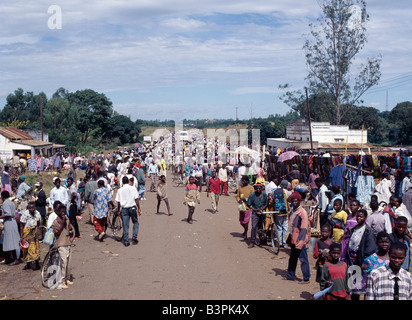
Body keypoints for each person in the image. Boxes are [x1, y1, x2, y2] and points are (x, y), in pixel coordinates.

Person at [345, 209, 377, 299]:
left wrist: (364, 261)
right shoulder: (354, 229)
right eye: (357, 216)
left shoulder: (367, 231)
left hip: (359, 260)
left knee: (358, 284)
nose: (359, 218)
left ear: (365, 218)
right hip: (351, 259)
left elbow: (370, 248)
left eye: (361, 216)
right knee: (352, 281)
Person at [284, 191, 311, 283]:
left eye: (296, 201)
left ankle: (306, 278)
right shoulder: (293, 211)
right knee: (292, 258)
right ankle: (290, 275)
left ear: (300, 201)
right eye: (293, 201)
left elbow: (303, 229)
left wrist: (300, 242)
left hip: (300, 240)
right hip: (293, 238)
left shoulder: (302, 213)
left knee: (303, 259)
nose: (294, 202)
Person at [52, 203, 73, 290]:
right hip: (60, 243)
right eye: (61, 211)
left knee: (68, 262)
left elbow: (70, 229)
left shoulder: (67, 220)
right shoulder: (55, 222)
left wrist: (70, 230)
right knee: (63, 262)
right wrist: (63, 222)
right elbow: (57, 232)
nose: (63, 213)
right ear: (58, 212)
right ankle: (60, 281)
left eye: (64, 211)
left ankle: (66, 278)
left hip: (67, 242)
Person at [116, 176, 141, 246]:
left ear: (122, 182)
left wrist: (118, 210)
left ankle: (126, 241)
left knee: (125, 225)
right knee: (135, 222)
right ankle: (134, 236)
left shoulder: (120, 190)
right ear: (128, 181)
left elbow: (118, 202)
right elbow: (137, 200)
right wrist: (139, 208)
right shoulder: (133, 188)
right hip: (132, 208)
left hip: (124, 209)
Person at [0, 191, 21, 265]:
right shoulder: (11, 202)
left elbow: (8, 213)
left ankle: (15, 259)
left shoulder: (5, 203)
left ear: (3, 197)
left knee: (11, 241)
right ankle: (9, 258)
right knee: (11, 241)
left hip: (9, 222)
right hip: (13, 222)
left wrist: (0, 217)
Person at [19, 202, 41, 271]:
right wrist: (21, 236)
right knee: (27, 248)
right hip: (27, 232)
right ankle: (28, 264)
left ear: (35, 207)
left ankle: (36, 263)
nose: (32, 209)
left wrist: (37, 222)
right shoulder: (25, 214)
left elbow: (38, 224)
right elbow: (21, 226)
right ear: (28, 208)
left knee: (36, 247)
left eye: (33, 207)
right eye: (30, 208)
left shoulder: (37, 213)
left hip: (34, 232)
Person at [246, 182, 268, 248]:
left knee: (261, 227)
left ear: (261, 188)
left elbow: (266, 204)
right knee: (254, 226)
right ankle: (253, 241)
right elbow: (249, 204)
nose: (258, 189)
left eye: (259, 188)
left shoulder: (264, 194)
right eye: (257, 188)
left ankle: (261, 240)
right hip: (255, 213)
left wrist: (262, 208)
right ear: (255, 188)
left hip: (262, 213)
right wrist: (255, 209)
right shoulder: (252, 195)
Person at [272, 180, 290, 248]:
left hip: (277, 212)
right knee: (285, 227)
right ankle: (284, 242)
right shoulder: (287, 192)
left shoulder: (275, 191)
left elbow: (271, 199)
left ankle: (279, 242)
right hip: (285, 212)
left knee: (279, 227)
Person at [236, 175, 255, 240]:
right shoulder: (240, 188)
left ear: (247, 181)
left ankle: (246, 233)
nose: (242, 182)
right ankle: (245, 230)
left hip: (248, 207)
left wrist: (246, 199)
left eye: (244, 181)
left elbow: (252, 197)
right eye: (242, 181)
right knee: (241, 221)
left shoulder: (251, 188)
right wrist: (239, 200)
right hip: (241, 207)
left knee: (246, 222)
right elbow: (237, 196)